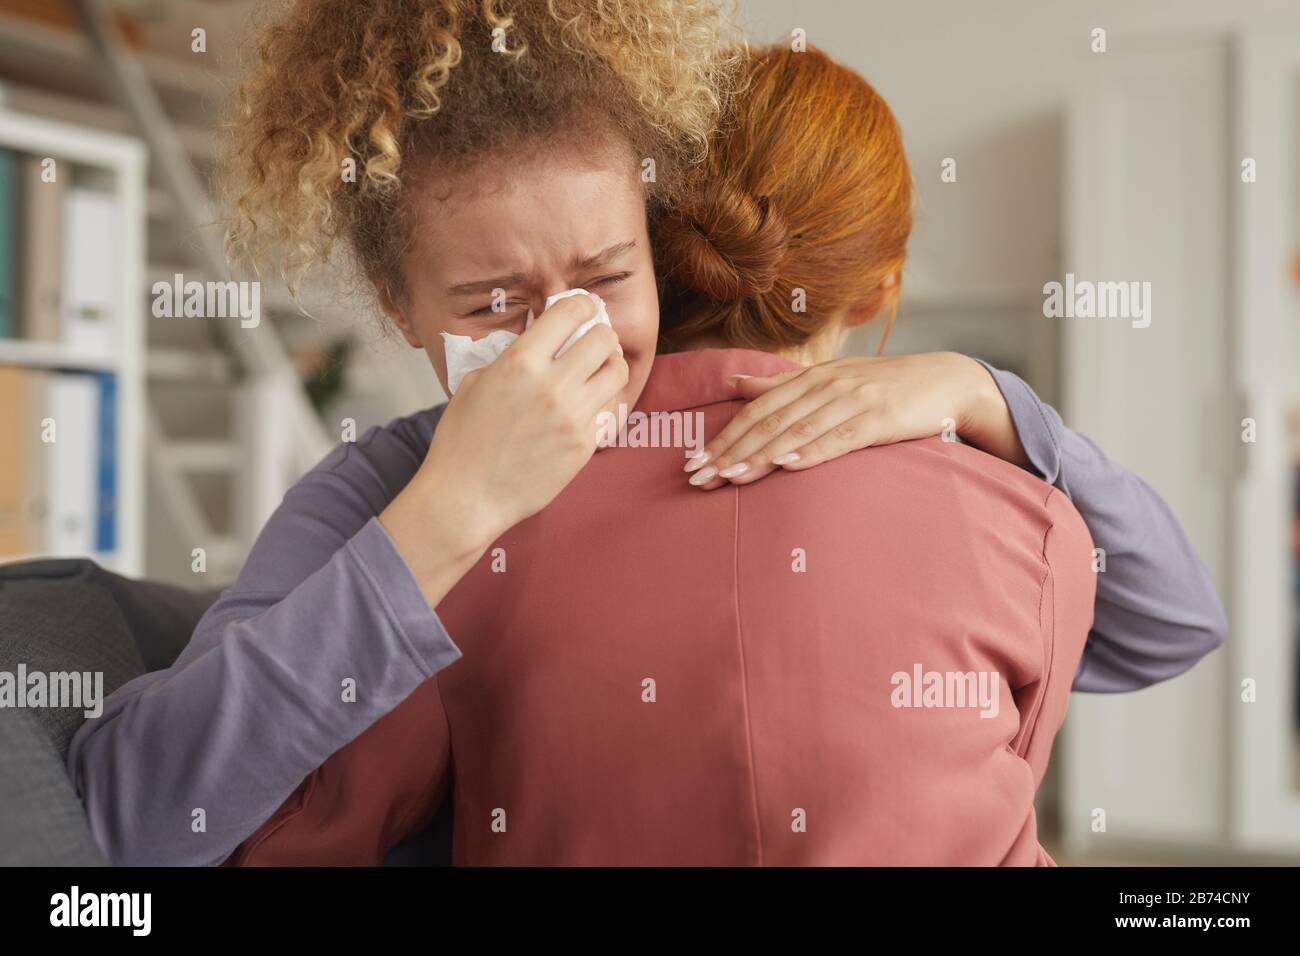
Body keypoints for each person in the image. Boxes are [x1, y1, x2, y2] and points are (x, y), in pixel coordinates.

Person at [67, 3, 1222, 866]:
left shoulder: (973, 473)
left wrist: (986, 395)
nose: (564, 337)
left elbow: (1174, 622)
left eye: (608, 274)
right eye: (492, 304)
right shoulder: (395, 483)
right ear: (395, 304)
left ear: (657, 246)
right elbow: (131, 816)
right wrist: (452, 510)